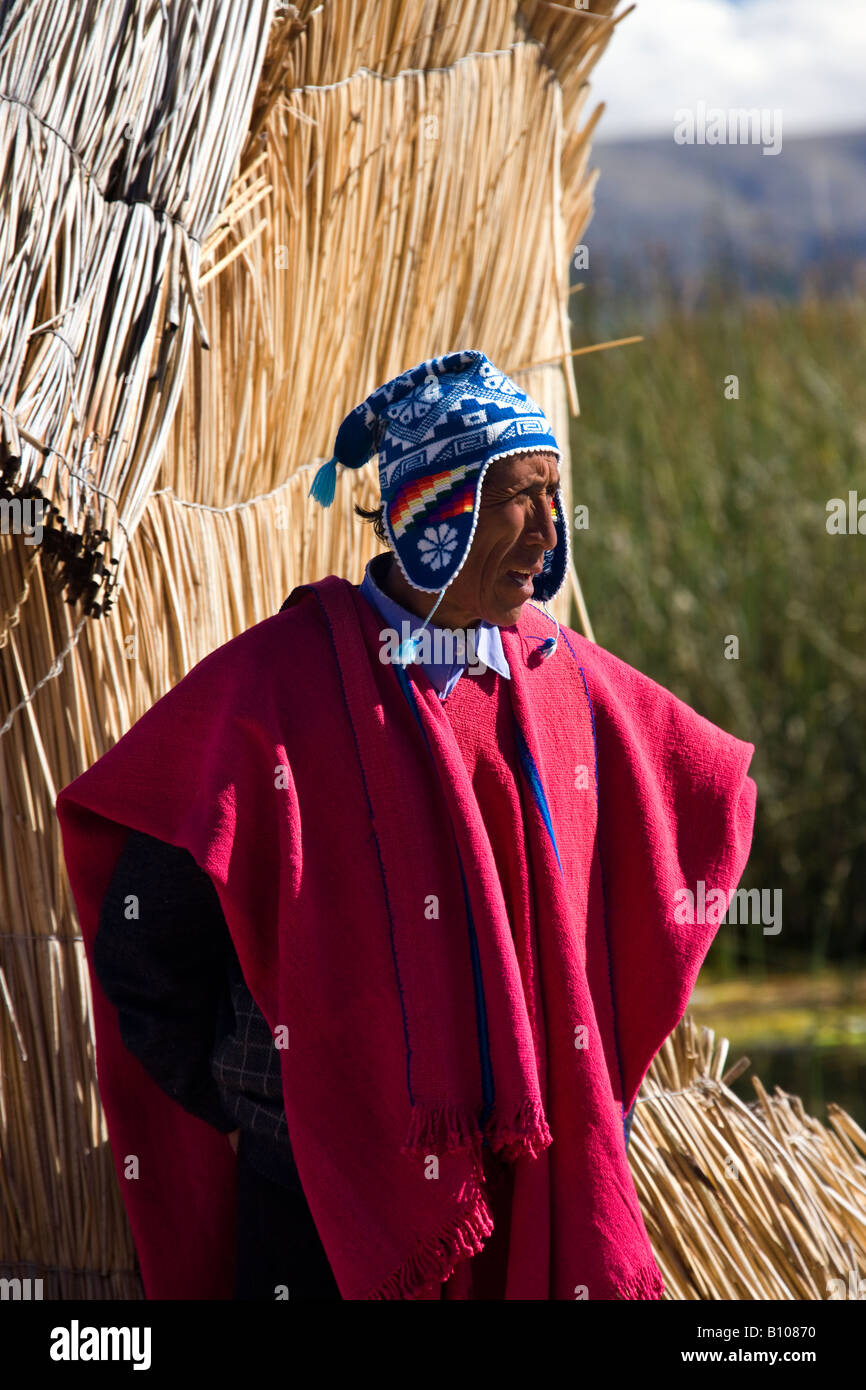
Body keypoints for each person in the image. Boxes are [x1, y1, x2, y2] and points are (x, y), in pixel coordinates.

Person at [56, 348, 757, 1300]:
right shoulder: (276, 691)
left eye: (556, 493)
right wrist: (257, 1094)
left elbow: (698, 795)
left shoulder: (564, 684)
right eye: (521, 495)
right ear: (437, 514)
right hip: (316, 1201)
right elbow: (149, 924)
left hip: (528, 1180)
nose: (551, 529)